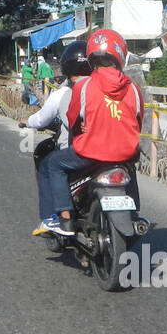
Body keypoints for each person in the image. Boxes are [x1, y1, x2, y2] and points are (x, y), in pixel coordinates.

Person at [35, 29, 143, 237]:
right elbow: (138, 122)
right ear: (120, 56)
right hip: (126, 153)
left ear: (91, 58)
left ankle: (64, 219)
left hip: (91, 153)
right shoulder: (134, 89)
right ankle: (134, 212)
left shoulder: (84, 86)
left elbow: (74, 120)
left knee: (52, 164)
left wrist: (82, 132)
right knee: (129, 165)